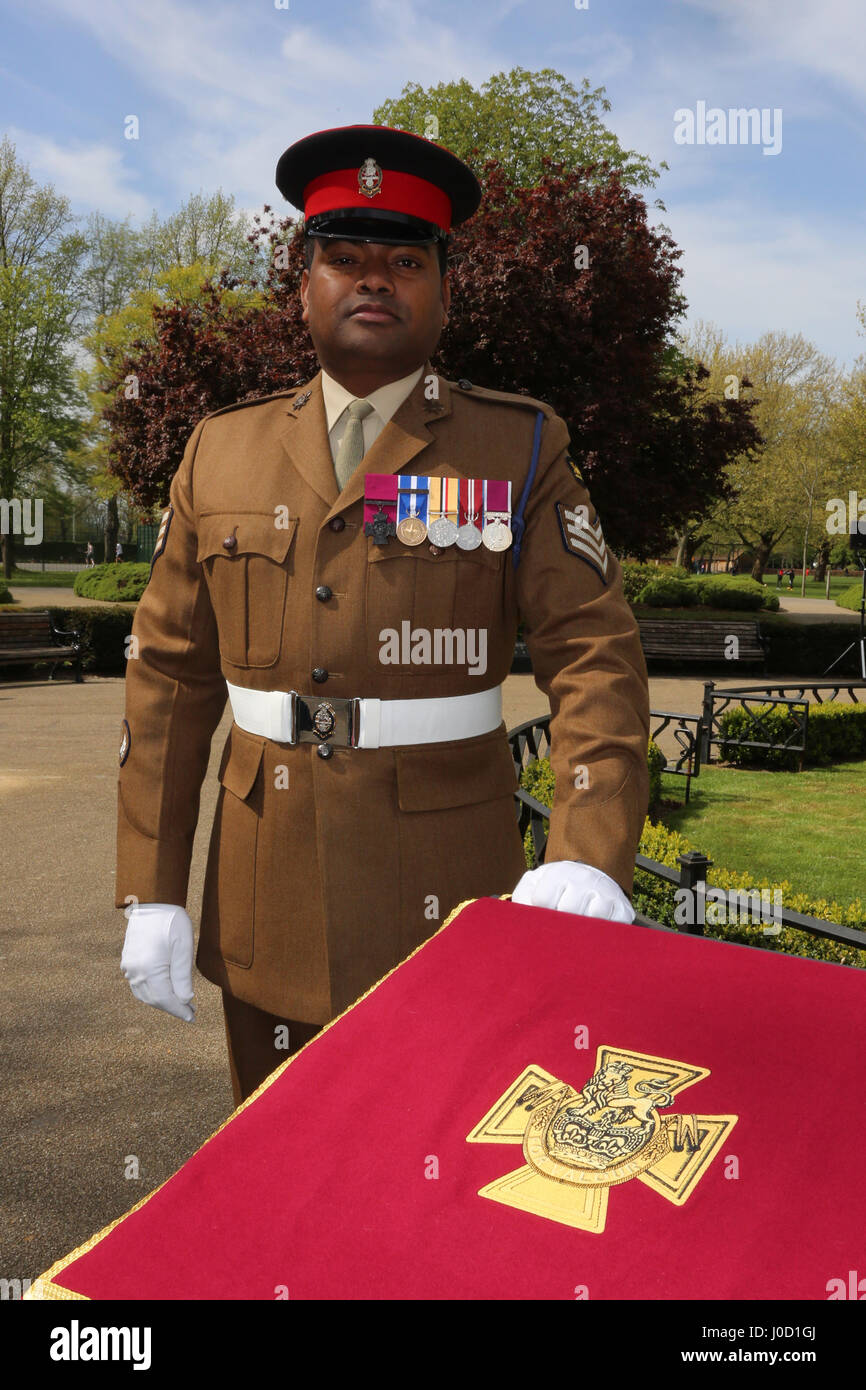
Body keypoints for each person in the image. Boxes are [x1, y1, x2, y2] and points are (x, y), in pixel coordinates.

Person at [118, 125, 651, 1106]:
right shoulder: (218, 452)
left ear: (444, 290)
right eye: (345, 257)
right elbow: (169, 677)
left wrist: (587, 848)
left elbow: (594, 655)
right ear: (303, 282)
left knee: (434, 1189)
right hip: (260, 890)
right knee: (270, 1178)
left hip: (444, 894)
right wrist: (150, 885)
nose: (374, 280)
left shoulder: (518, 448)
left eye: (405, 260)